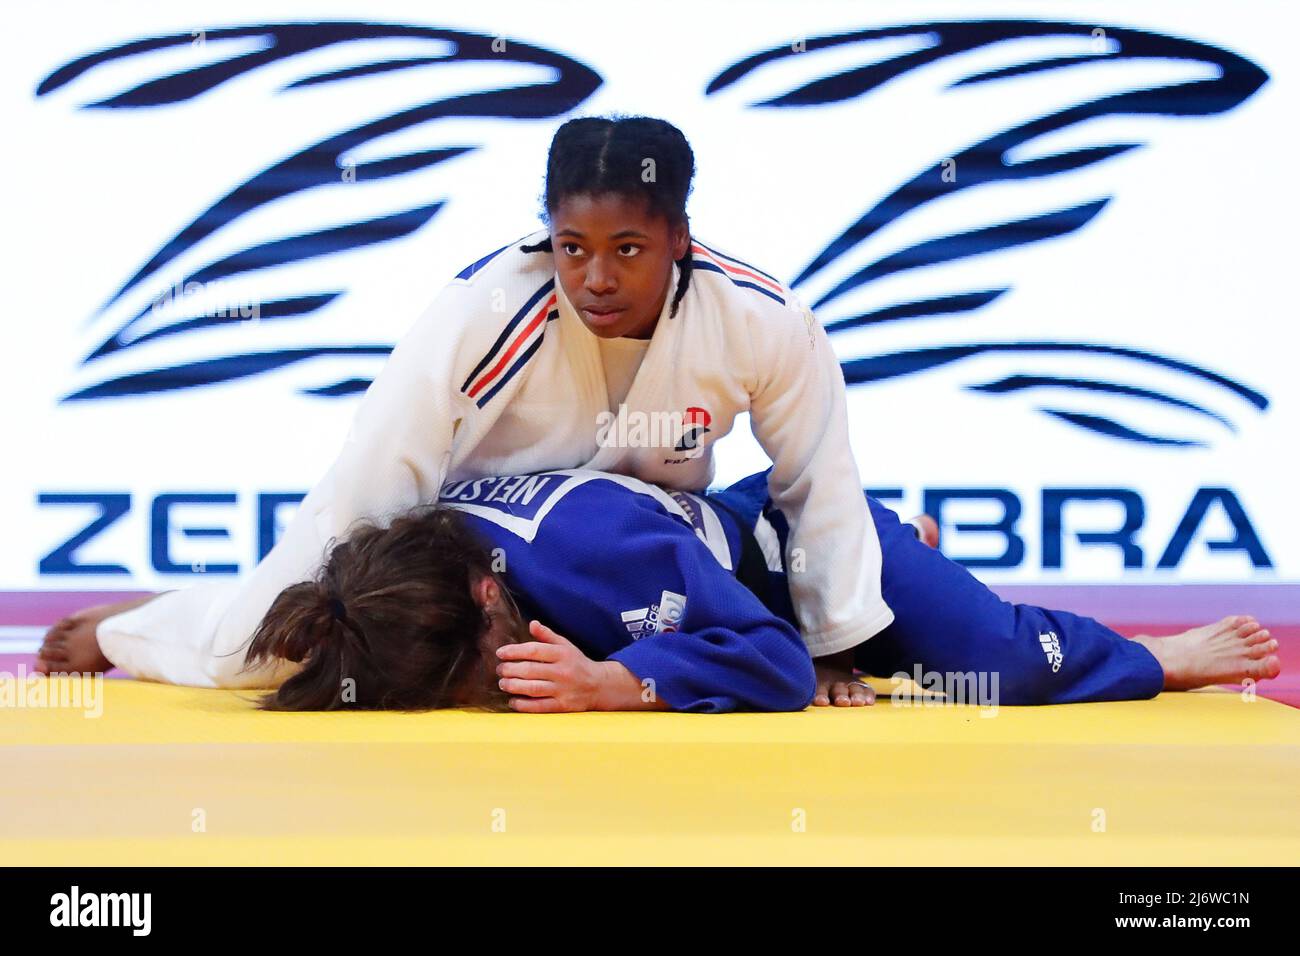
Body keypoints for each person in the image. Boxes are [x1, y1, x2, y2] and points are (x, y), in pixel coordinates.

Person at [35, 114, 894, 687]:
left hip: (630, 552)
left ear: (680, 237)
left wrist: (837, 651)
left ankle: (896, 552)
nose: (595, 276)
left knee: (744, 641)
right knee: (260, 658)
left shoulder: (763, 321)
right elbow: (372, 476)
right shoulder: (480, 315)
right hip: (486, 554)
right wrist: (322, 609)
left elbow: (818, 479)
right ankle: (142, 625)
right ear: (545, 235)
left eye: (628, 247)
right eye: (572, 246)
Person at [37, 468, 1283, 713]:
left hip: (791, 551)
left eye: (478, 675)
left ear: (490, 600)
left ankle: (1145, 653)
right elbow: (213, 633)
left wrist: (621, 680)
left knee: (982, 671)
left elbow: (780, 664)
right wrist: (106, 631)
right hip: (706, 573)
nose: (493, 697)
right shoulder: (351, 593)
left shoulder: (602, 566)